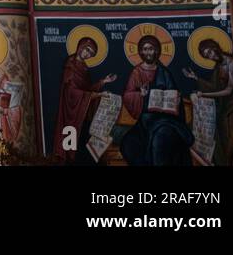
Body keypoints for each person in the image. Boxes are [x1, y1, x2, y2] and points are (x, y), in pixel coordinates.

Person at [120, 34, 193, 166]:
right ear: (141, 52)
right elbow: (127, 95)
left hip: (167, 118)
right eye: (145, 49)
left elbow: (174, 92)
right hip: (147, 119)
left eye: (151, 49)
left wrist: (177, 100)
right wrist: (140, 95)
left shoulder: (164, 72)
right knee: (132, 143)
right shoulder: (137, 72)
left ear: (157, 51)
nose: (148, 52)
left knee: (164, 136)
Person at [54, 36, 117, 163]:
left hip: (82, 112)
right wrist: (98, 95)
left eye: (91, 53)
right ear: (80, 47)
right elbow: (72, 93)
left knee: (85, 145)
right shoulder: (70, 66)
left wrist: (104, 81)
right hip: (71, 114)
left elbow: (87, 89)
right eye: (87, 50)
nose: (87, 54)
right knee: (74, 148)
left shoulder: (83, 68)